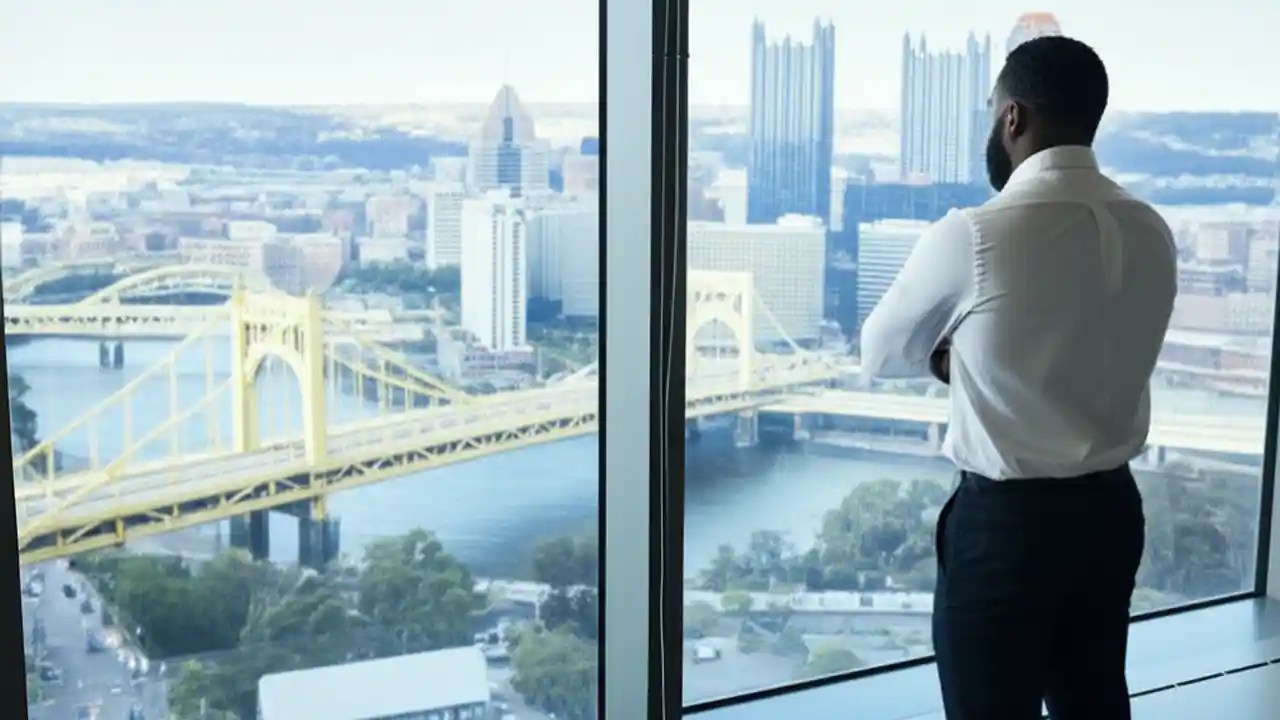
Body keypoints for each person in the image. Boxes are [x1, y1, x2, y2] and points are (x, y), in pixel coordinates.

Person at [860, 36, 1177, 719]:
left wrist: (954, 359)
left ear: (1013, 118)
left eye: (991, 111)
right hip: (1112, 515)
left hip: (1009, 530)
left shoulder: (975, 234)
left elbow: (879, 353)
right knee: (1092, 702)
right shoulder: (1151, 229)